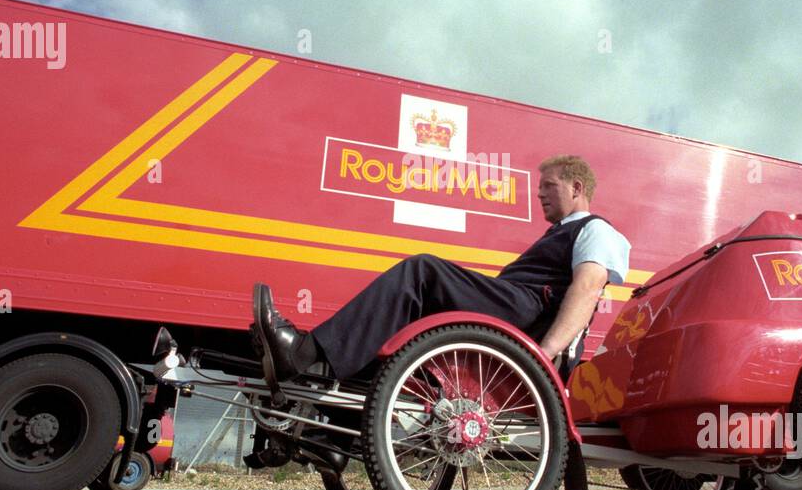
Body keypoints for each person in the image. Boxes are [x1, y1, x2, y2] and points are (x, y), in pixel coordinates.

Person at [252, 154, 630, 386]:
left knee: (422, 273)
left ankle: (303, 355)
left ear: (577, 187)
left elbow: (586, 291)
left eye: (549, 186)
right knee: (405, 327)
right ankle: (340, 428)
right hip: (515, 310)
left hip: (528, 319)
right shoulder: (555, 235)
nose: (539, 194)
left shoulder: (596, 230)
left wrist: (544, 354)